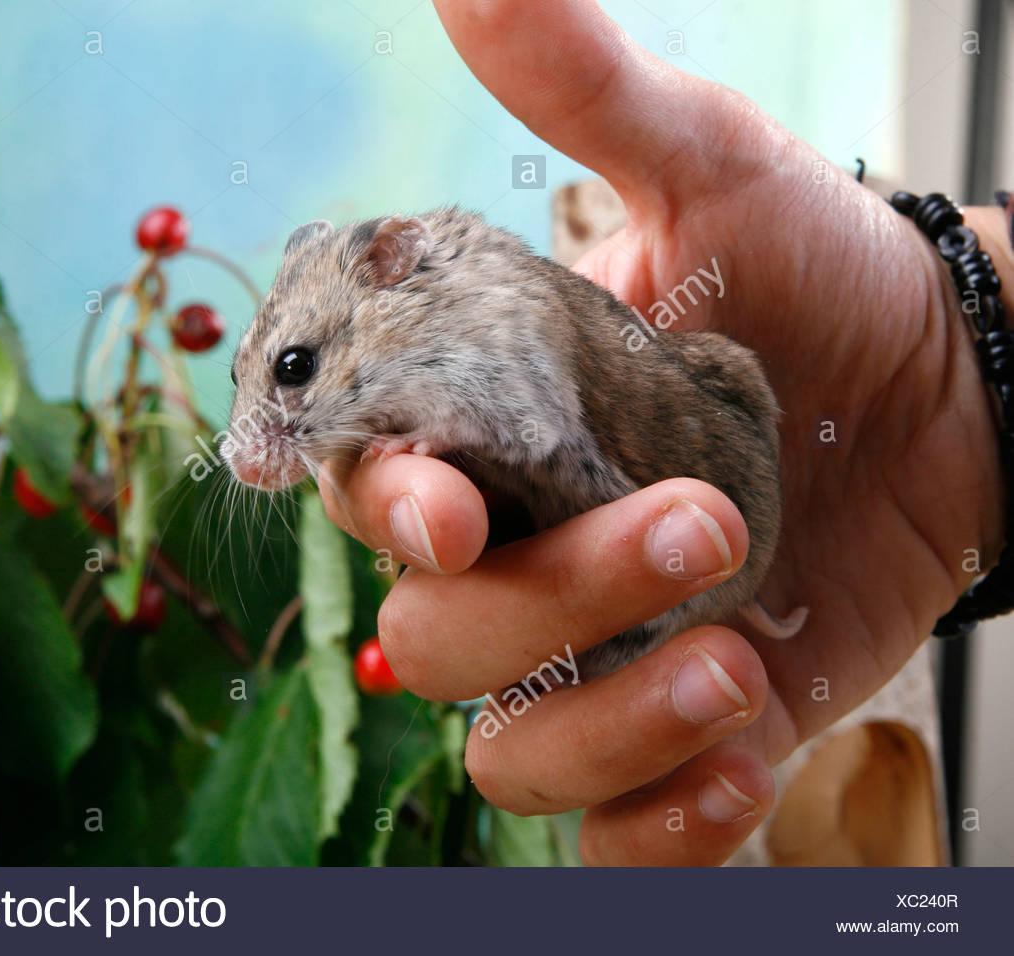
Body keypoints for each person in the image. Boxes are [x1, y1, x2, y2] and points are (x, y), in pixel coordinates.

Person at [318, 0, 1011, 865]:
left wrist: (951, 357)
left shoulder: (471, 311)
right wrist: (965, 364)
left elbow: (531, 419)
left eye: (298, 372)